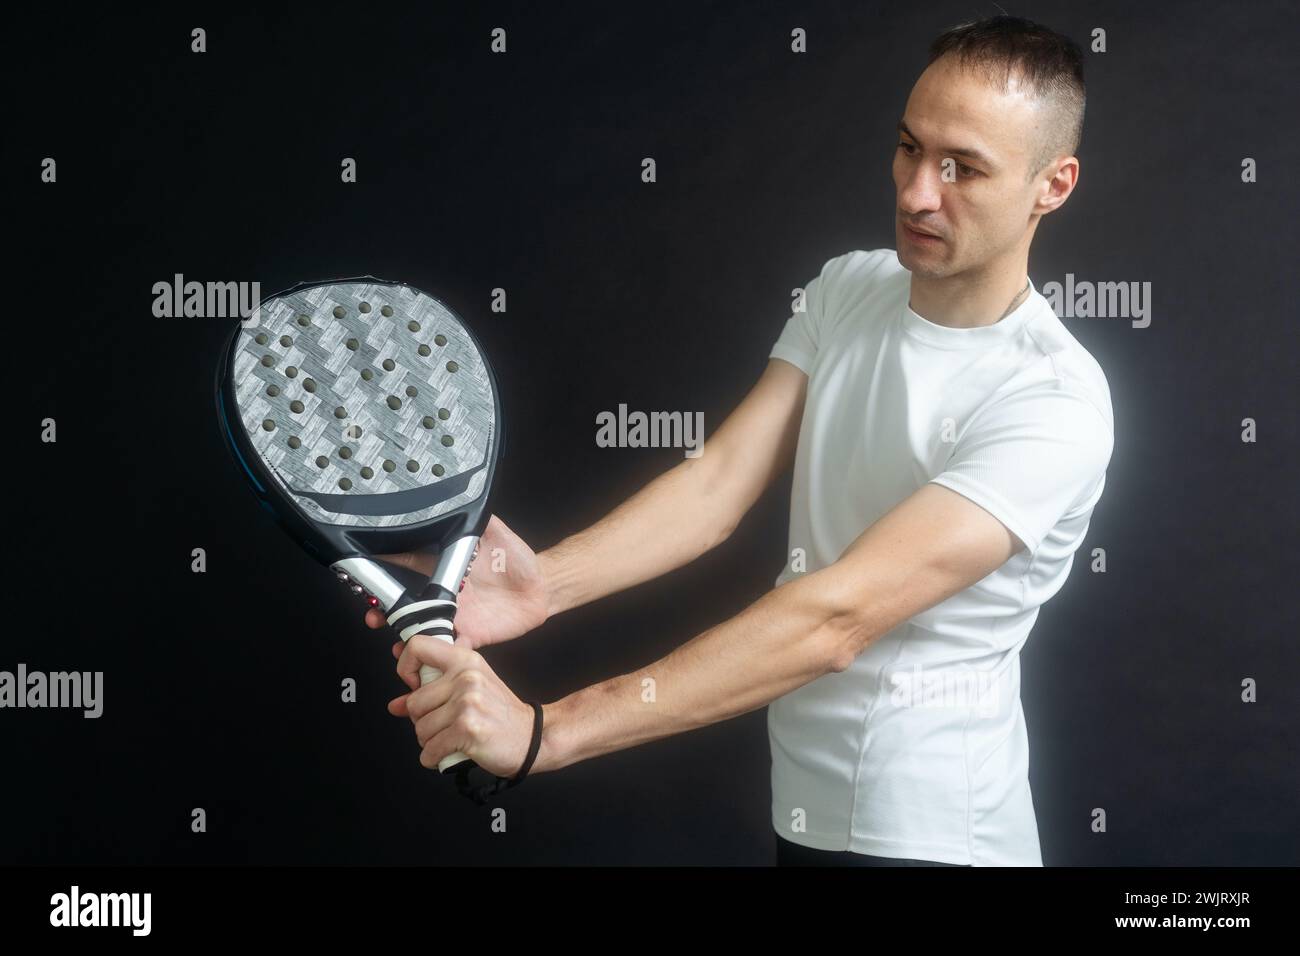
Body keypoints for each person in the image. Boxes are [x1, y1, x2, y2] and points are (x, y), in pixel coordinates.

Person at [370, 15, 1113, 867]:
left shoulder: (1054, 403)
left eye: (963, 169)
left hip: (938, 833)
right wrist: (549, 584)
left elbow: (834, 618)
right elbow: (718, 483)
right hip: (806, 806)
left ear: (1052, 186)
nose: (915, 192)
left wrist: (546, 733)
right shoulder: (853, 286)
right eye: (909, 148)